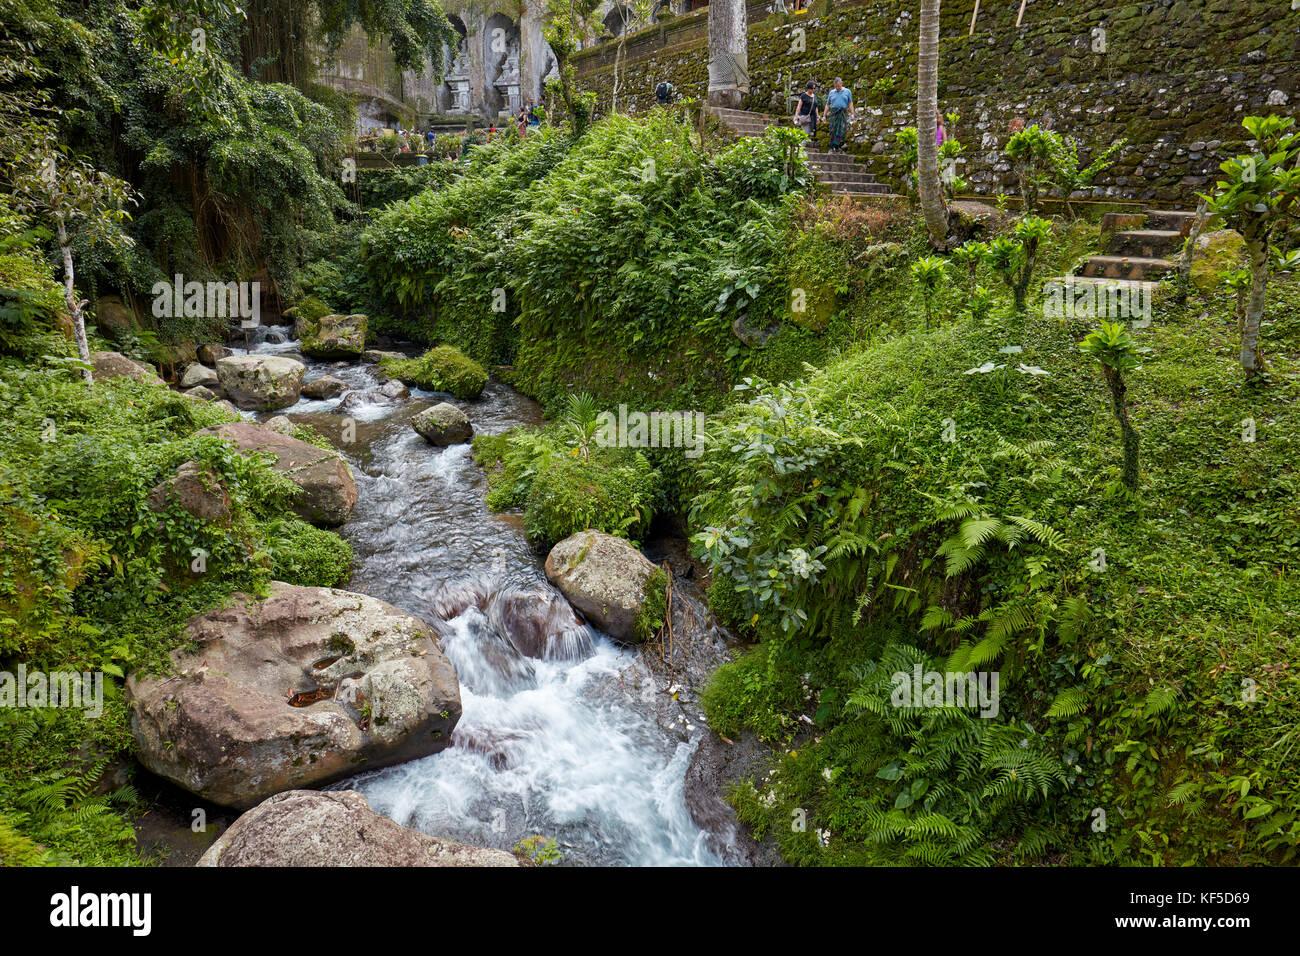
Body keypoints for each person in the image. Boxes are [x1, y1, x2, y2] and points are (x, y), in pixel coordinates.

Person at [823, 76, 854, 152]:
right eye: (836, 86)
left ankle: (838, 147)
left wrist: (852, 113)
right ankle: (831, 147)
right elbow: (827, 105)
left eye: (838, 86)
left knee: (842, 130)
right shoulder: (832, 92)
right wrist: (824, 115)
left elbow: (850, 103)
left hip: (843, 112)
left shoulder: (847, 91)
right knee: (832, 129)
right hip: (834, 113)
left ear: (841, 84)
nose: (837, 87)